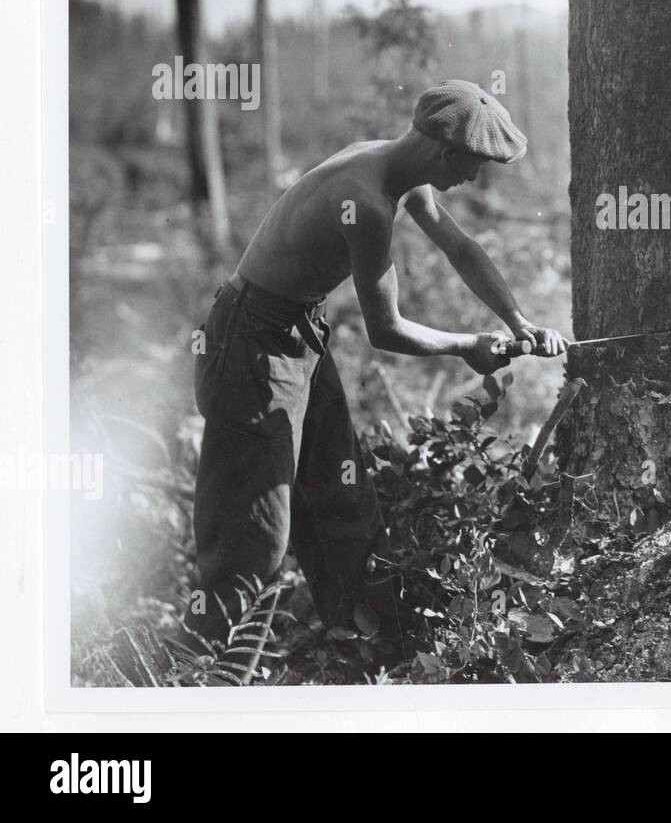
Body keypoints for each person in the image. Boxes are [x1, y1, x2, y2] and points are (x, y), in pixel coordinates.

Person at [180, 80, 567, 653]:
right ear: (444, 151)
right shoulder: (364, 200)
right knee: (256, 540)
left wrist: (518, 323)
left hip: (295, 333)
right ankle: (198, 670)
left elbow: (460, 248)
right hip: (251, 346)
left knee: (343, 501)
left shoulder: (396, 167)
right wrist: (468, 346)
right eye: (476, 164)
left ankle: (364, 653)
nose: (475, 179)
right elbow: (387, 330)